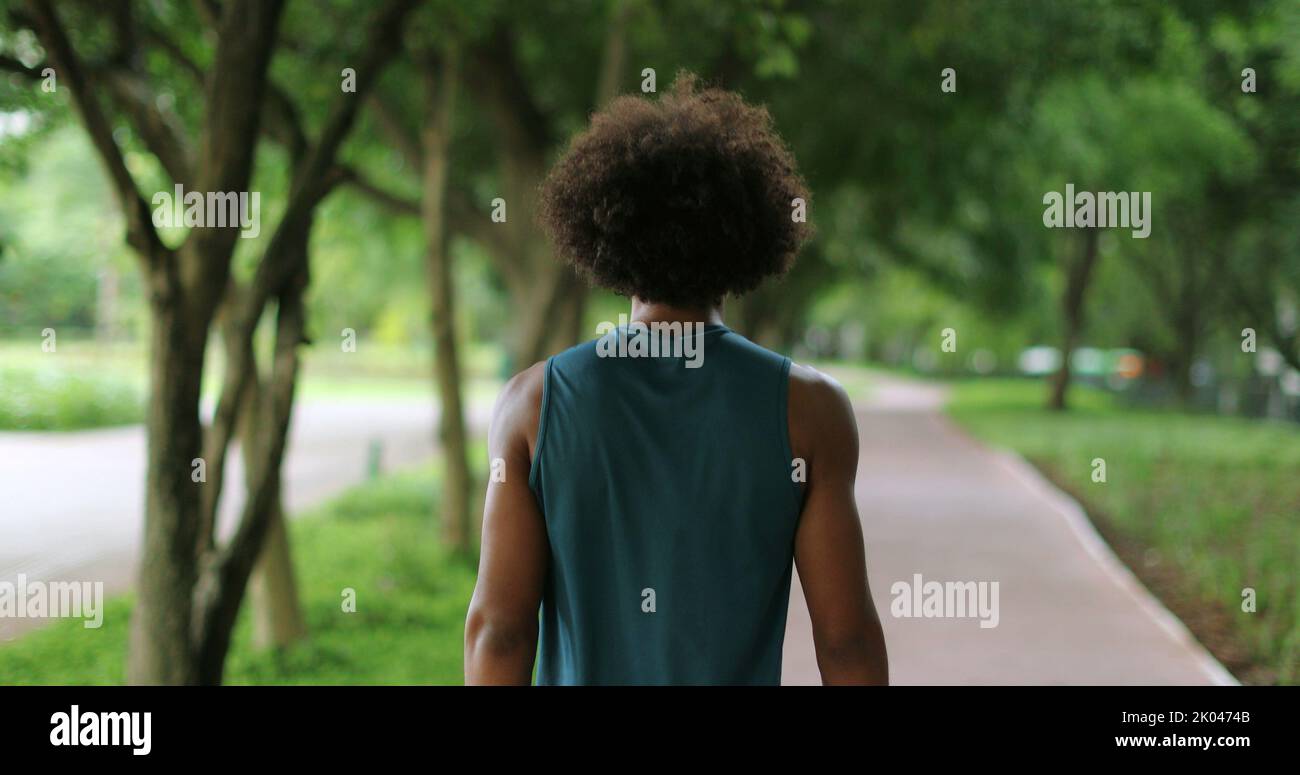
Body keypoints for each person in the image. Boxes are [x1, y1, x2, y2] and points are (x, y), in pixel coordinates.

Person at [464, 73, 888, 685]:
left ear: (605, 233)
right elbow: (845, 640)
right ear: (748, 236)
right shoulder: (810, 411)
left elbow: (499, 631)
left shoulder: (532, 405)